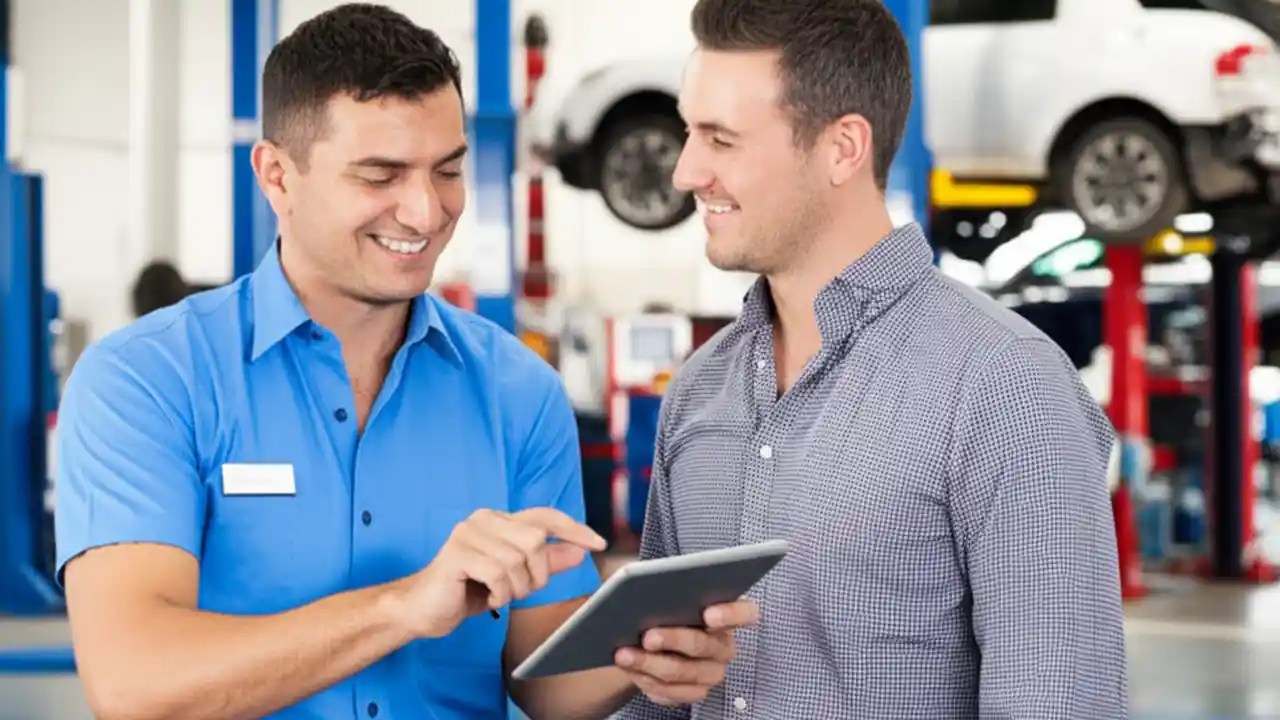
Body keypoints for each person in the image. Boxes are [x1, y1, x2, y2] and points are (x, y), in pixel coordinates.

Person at [54, 5, 757, 719]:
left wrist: (645, 655)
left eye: (447, 170)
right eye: (379, 175)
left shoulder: (518, 393)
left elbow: (545, 681)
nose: (425, 212)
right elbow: (136, 684)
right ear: (276, 176)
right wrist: (402, 607)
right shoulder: (147, 382)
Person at [617, 0, 1129, 718]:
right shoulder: (699, 394)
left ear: (842, 148)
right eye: (687, 132)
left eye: (720, 139)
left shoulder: (1004, 386)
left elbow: (1057, 702)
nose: (684, 171)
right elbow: (657, 698)